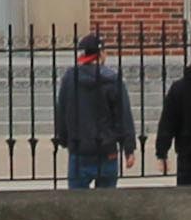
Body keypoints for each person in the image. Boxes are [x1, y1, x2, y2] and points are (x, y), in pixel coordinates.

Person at [54, 31, 136, 190]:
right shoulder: (112, 79)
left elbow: (62, 112)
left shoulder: (70, 79)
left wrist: (64, 139)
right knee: (106, 205)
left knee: (77, 206)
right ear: (101, 53)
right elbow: (123, 116)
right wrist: (129, 148)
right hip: (107, 150)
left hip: (79, 149)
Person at [154, 42, 191, 186]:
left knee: (187, 200)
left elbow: (168, 122)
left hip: (188, 156)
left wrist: (162, 152)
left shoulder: (180, 88)